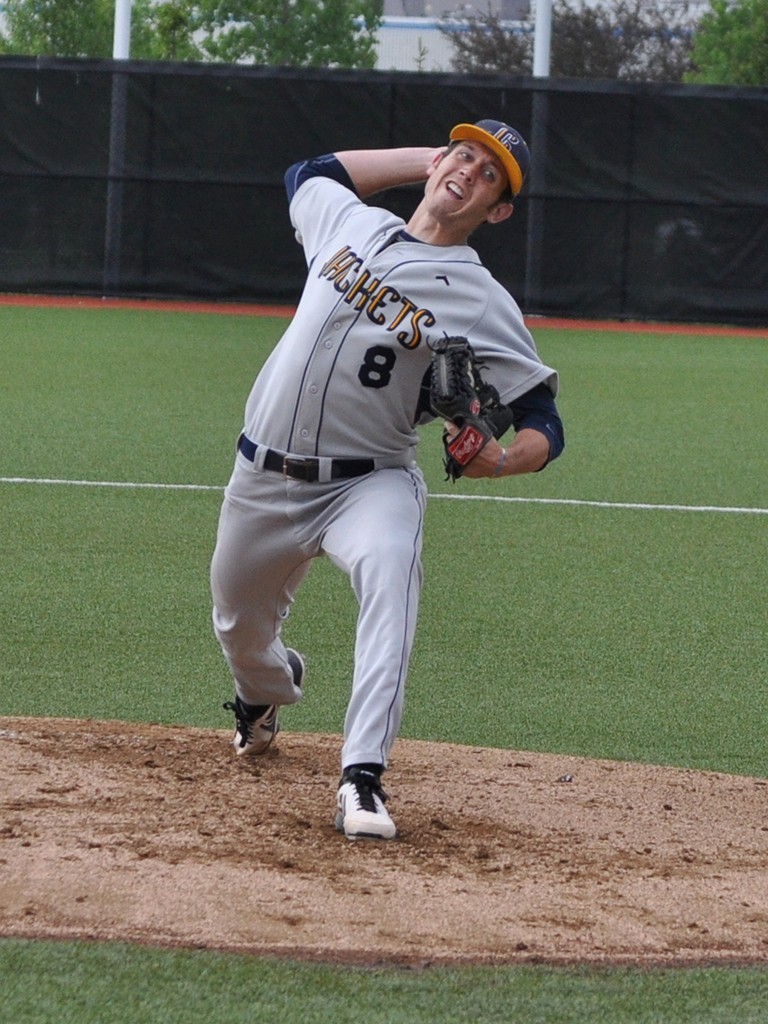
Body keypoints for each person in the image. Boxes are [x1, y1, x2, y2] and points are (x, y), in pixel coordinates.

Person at [210, 119, 564, 841]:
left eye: (488, 175)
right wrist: (425, 158)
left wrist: (499, 459)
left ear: (498, 211)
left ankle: (362, 776)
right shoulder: (352, 223)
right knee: (239, 630)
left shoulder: (479, 296)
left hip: (369, 483)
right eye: (463, 156)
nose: (468, 173)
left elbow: (544, 420)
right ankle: (268, 690)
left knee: (392, 576)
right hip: (263, 476)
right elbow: (310, 172)